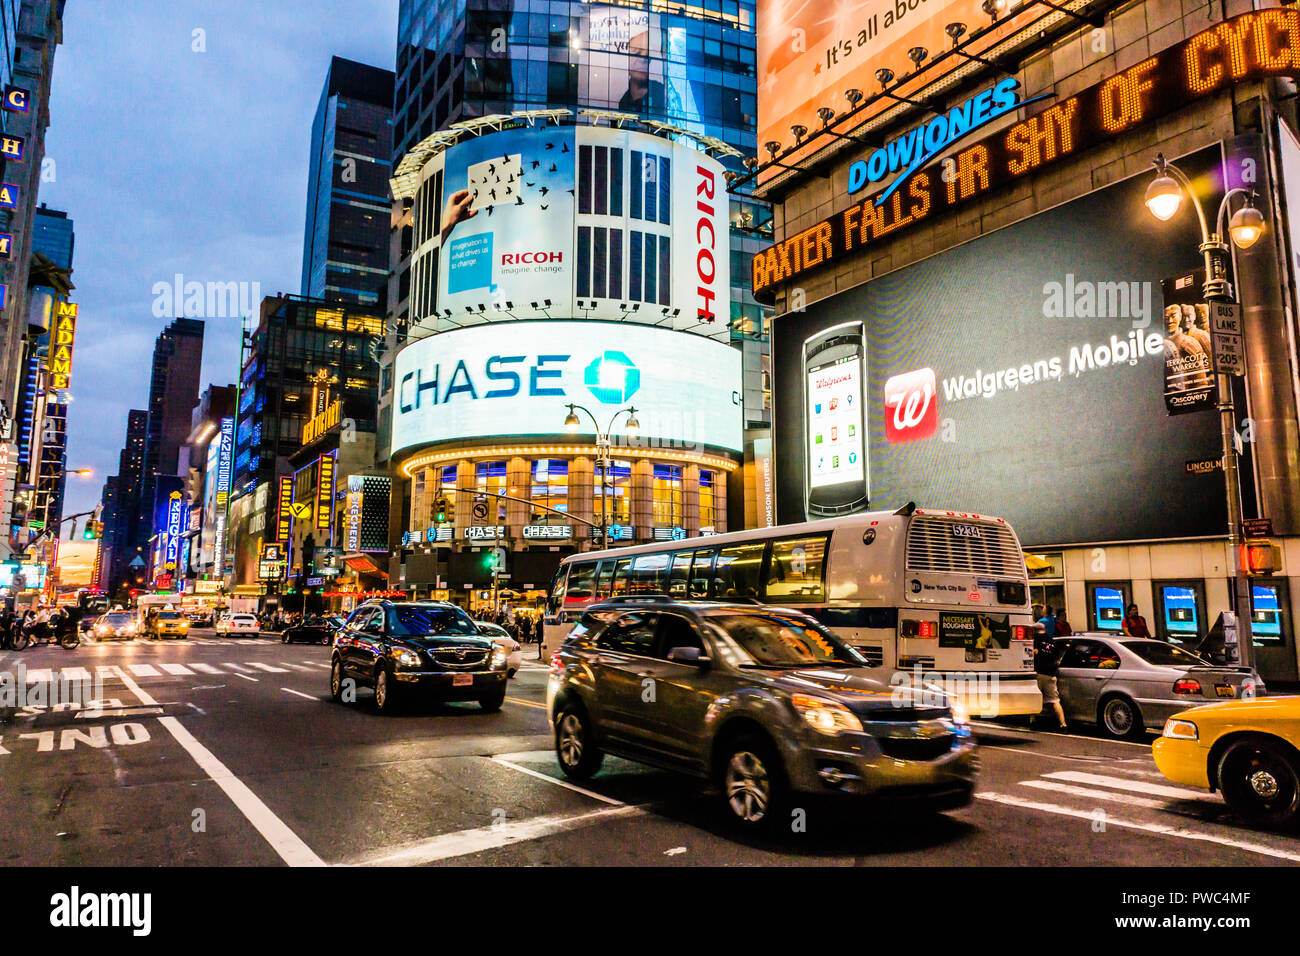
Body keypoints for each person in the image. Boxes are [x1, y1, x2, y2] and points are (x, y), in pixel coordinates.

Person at [1033, 623, 1068, 730]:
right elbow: (1057, 660)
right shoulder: (1053, 641)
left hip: (1038, 673)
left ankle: (1033, 721)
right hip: (1051, 674)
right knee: (1055, 701)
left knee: (1035, 698)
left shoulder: (1034, 639)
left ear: (1035, 631)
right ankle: (1063, 724)